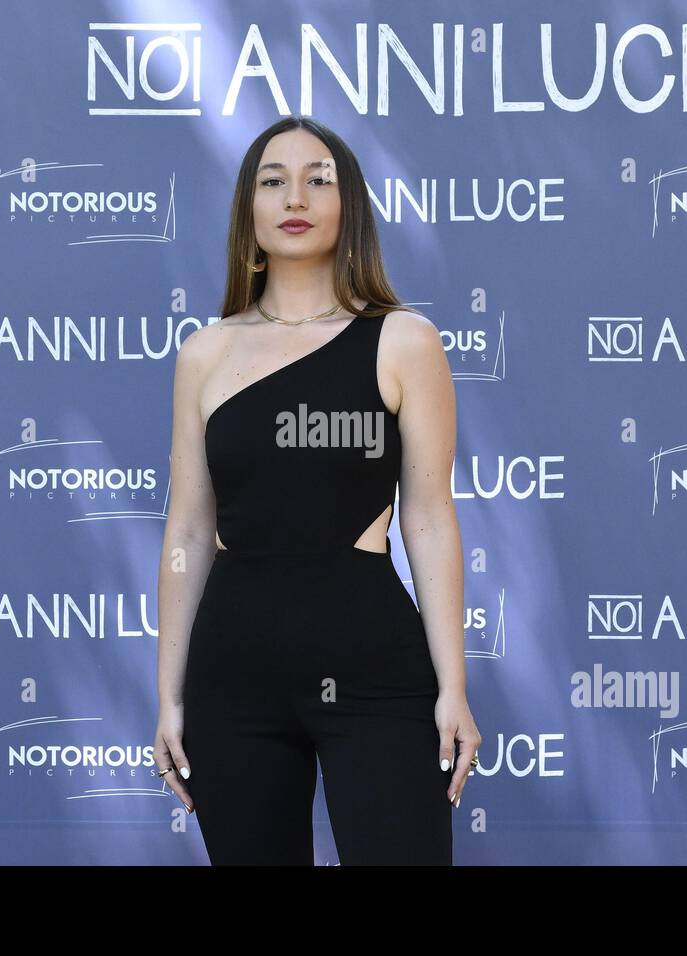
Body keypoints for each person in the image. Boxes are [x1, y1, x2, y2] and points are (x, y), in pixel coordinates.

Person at [154, 115, 480, 865]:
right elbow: (188, 532)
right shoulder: (205, 354)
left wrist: (452, 688)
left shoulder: (404, 340)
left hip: (375, 670)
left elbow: (429, 518)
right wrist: (170, 696)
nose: (294, 196)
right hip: (232, 680)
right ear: (249, 210)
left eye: (317, 179)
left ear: (349, 205)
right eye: (273, 181)